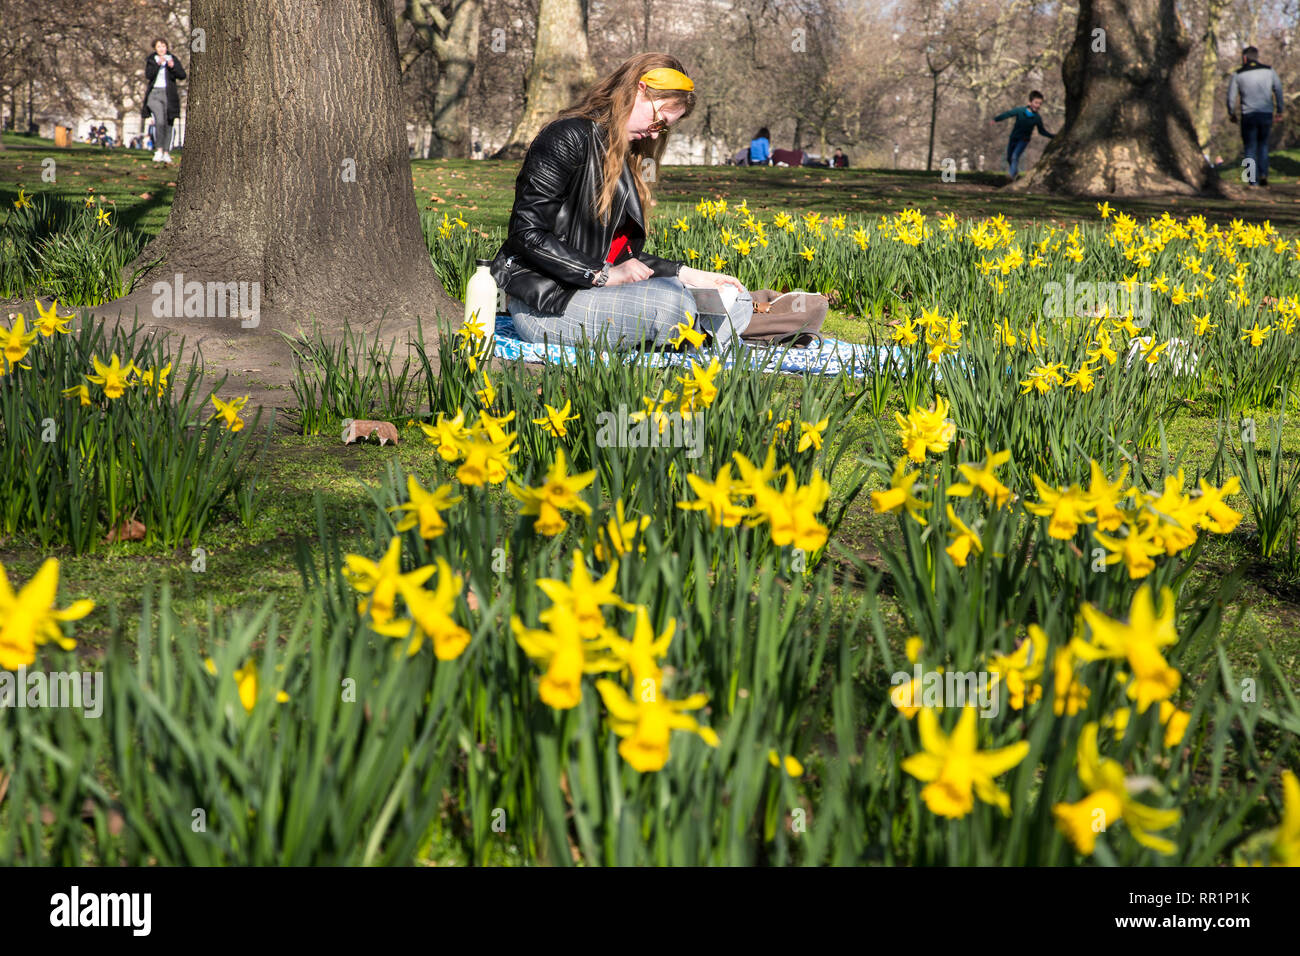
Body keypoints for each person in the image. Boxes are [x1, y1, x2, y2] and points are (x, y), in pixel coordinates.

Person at [492, 53, 750, 349]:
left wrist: (687, 274)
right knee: (672, 303)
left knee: (736, 298)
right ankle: (700, 341)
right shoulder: (567, 137)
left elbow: (615, 257)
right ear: (638, 90)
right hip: (548, 303)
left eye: (664, 127)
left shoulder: (627, 157)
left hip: (599, 292)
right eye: (659, 119)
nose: (656, 131)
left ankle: (690, 337)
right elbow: (527, 235)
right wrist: (601, 274)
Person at [1227, 46, 1285, 186]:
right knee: (1263, 145)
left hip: (1248, 115)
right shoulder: (1269, 71)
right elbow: (1278, 90)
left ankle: (1252, 180)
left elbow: (1231, 97)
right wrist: (1279, 110)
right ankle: (1263, 173)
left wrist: (1231, 113)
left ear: (1245, 58)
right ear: (1257, 56)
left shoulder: (1238, 74)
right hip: (1266, 113)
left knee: (1249, 147)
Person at [142, 37, 186, 164]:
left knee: (169, 122)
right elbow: (148, 75)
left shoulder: (172, 58)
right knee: (159, 121)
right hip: (155, 94)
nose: (161, 49)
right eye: (159, 46)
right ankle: (159, 150)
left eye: (163, 46)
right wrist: (158, 65)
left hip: (168, 94)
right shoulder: (152, 60)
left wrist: (172, 67)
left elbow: (182, 75)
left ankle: (166, 152)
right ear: (155, 49)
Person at [992, 90, 1054, 181]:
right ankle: (1015, 172)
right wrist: (996, 119)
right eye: (1036, 103)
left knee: (1015, 156)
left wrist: (1052, 136)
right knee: (1009, 157)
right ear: (1029, 102)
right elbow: (1008, 114)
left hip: (1024, 139)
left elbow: (1042, 131)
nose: (1038, 106)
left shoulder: (1037, 118)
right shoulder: (1020, 111)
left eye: (1040, 104)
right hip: (1014, 137)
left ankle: (1011, 175)